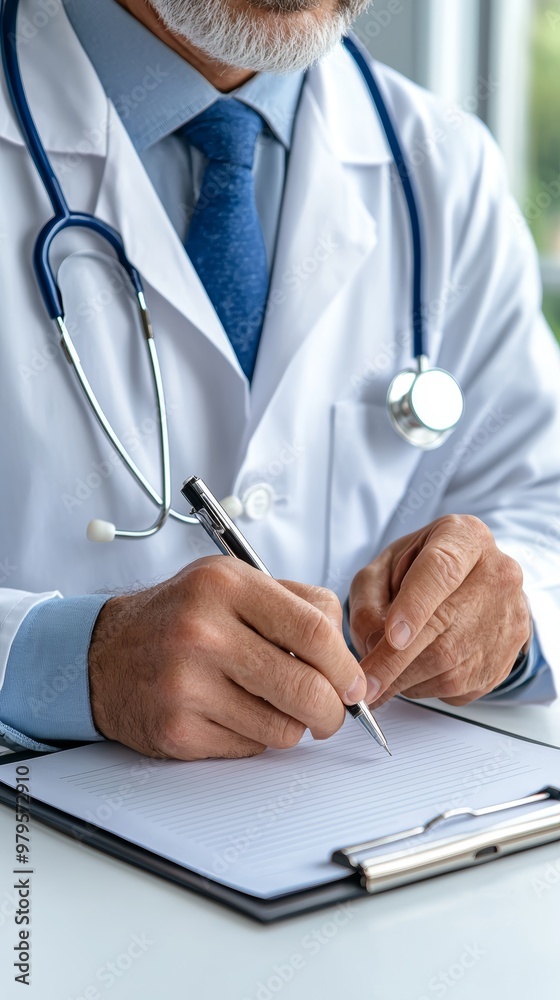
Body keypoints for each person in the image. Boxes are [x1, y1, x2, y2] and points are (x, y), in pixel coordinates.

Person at [0, 0, 558, 761]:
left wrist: (505, 611)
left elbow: (540, 500)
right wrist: (64, 660)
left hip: (348, 835)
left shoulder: (445, 167)